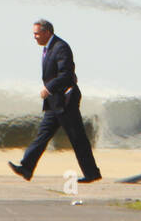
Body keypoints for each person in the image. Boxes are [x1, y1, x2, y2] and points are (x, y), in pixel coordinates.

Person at [8, 19, 102, 183]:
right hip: (54, 103)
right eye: (34, 34)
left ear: (47, 32)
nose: (35, 37)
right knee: (43, 135)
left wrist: (49, 88)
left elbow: (66, 74)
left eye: (37, 33)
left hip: (65, 101)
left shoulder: (61, 47)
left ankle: (92, 173)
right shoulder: (48, 48)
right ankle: (26, 167)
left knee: (77, 138)